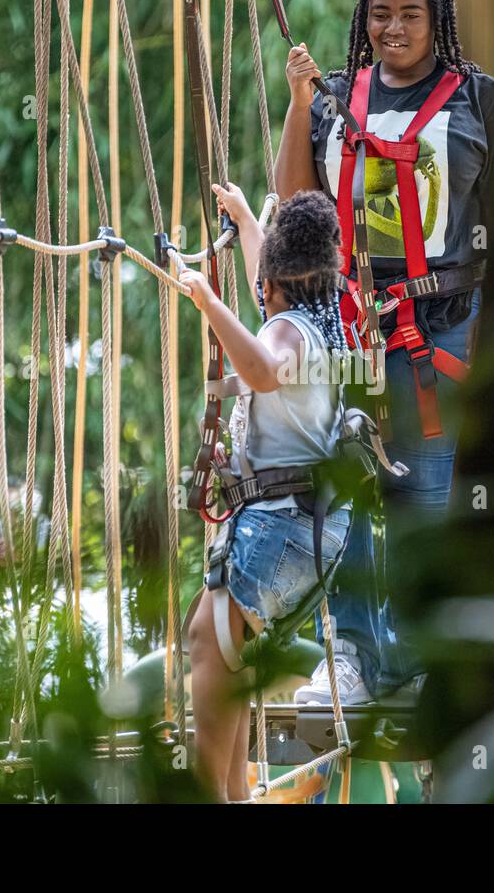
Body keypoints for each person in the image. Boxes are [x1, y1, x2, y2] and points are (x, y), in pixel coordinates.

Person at [274, 0, 494, 705]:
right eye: (380, 14)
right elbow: (297, 203)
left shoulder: (477, 100)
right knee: (348, 491)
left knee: (427, 492)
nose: (394, 28)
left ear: (437, 16)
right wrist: (300, 101)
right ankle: (356, 659)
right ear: (362, 21)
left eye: (410, 13)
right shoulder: (338, 99)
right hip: (351, 327)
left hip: (442, 327)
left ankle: (430, 655)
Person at [182, 186, 354, 802]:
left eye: (263, 287)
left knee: (210, 640)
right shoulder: (323, 321)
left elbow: (258, 368)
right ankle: (230, 793)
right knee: (222, 645)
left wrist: (205, 299)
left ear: (275, 286)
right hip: (312, 526)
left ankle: (213, 794)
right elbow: (268, 280)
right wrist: (251, 221)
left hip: (283, 522)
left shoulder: (286, 333)